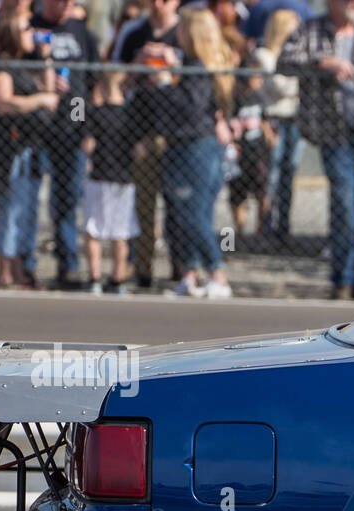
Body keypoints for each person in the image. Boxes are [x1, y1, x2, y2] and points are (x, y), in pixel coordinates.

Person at [129, 5, 234, 296]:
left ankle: (217, 273)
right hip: (179, 147)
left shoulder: (199, 68)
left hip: (195, 149)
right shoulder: (188, 65)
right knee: (181, 213)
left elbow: (191, 107)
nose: (178, 33)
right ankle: (189, 275)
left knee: (195, 215)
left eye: (183, 28)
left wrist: (165, 82)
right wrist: (169, 69)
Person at [286, 0, 354, 299]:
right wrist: (322, 62)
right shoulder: (309, 30)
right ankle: (342, 275)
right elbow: (284, 61)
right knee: (344, 204)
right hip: (334, 133)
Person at [0, 9, 59, 288]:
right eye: (26, 30)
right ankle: (5, 273)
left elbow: (51, 92)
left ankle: (18, 270)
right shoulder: (2, 66)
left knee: (26, 211)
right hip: (11, 150)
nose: (32, 34)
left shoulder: (24, 65)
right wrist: (40, 100)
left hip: (32, 148)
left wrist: (46, 57)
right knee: (11, 211)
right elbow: (4, 103)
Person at [32, 0, 99, 290]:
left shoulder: (82, 32)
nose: (66, 6)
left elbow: (94, 81)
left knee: (67, 200)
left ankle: (69, 265)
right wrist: (42, 80)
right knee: (30, 197)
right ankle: (26, 264)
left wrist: (89, 129)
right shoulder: (31, 26)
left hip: (73, 126)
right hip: (38, 126)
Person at [116, 0, 181, 289]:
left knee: (180, 205)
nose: (158, 5)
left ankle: (182, 266)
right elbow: (113, 79)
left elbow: (200, 81)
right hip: (142, 132)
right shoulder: (134, 32)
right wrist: (137, 65)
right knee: (144, 206)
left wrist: (172, 64)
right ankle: (143, 269)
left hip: (178, 134)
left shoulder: (185, 32)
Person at [80, 68, 138, 291]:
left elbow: (88, 144)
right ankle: (117, 278)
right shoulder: (131, 115)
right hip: (124, 177)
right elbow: (139, 148)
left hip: (100, 175)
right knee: (120, 232)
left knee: (93, 229)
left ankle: (95, 277)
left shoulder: (95, 113)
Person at [252, 7, 300, 242]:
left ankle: (284, 227)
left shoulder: (295, 55)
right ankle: (266, 226)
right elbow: (279, 87)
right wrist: (298, 82)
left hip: (294, 120)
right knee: (271, 174)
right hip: (273, 121)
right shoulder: (264, 55)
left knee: (289, 174)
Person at [229, 54, 274, 236]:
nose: (260, 81)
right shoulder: (235, 99)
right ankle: (237, 234)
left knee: (261, 192)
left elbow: (265, 121)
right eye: (256, 76)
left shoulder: (260, 97)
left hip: (258, 153)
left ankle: (260, 231)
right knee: (237, 196)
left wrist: (270, 136)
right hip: (239, 155)